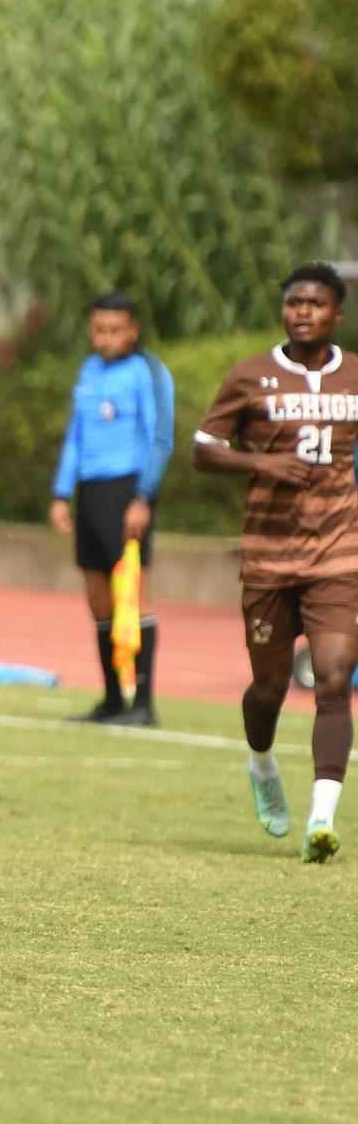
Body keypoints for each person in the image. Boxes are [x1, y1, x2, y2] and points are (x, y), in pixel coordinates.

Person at [191, 262, 353, 863]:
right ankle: (261, 762)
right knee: (269, 685)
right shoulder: (251, 376)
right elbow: (204, 452)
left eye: (314, 303)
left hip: (338, 551)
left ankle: (320, 818)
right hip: (266, 555)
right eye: (293, 303)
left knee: (336, 676)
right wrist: (264, 465)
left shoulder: (356, 376)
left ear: (337, 312)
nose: (302, 312)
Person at [50, 291, 173, 726]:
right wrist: (62, 493)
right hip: (90, 494)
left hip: (128, 495)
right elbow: (75, 437)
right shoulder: (87, 372)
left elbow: (161, 438)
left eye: (115, 330)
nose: (106, 338)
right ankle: (111, 700)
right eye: (99, 330)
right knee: (98, 600)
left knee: (133, 597)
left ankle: (143, 703)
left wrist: (144, 498)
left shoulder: (148, 372)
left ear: (133, 330)